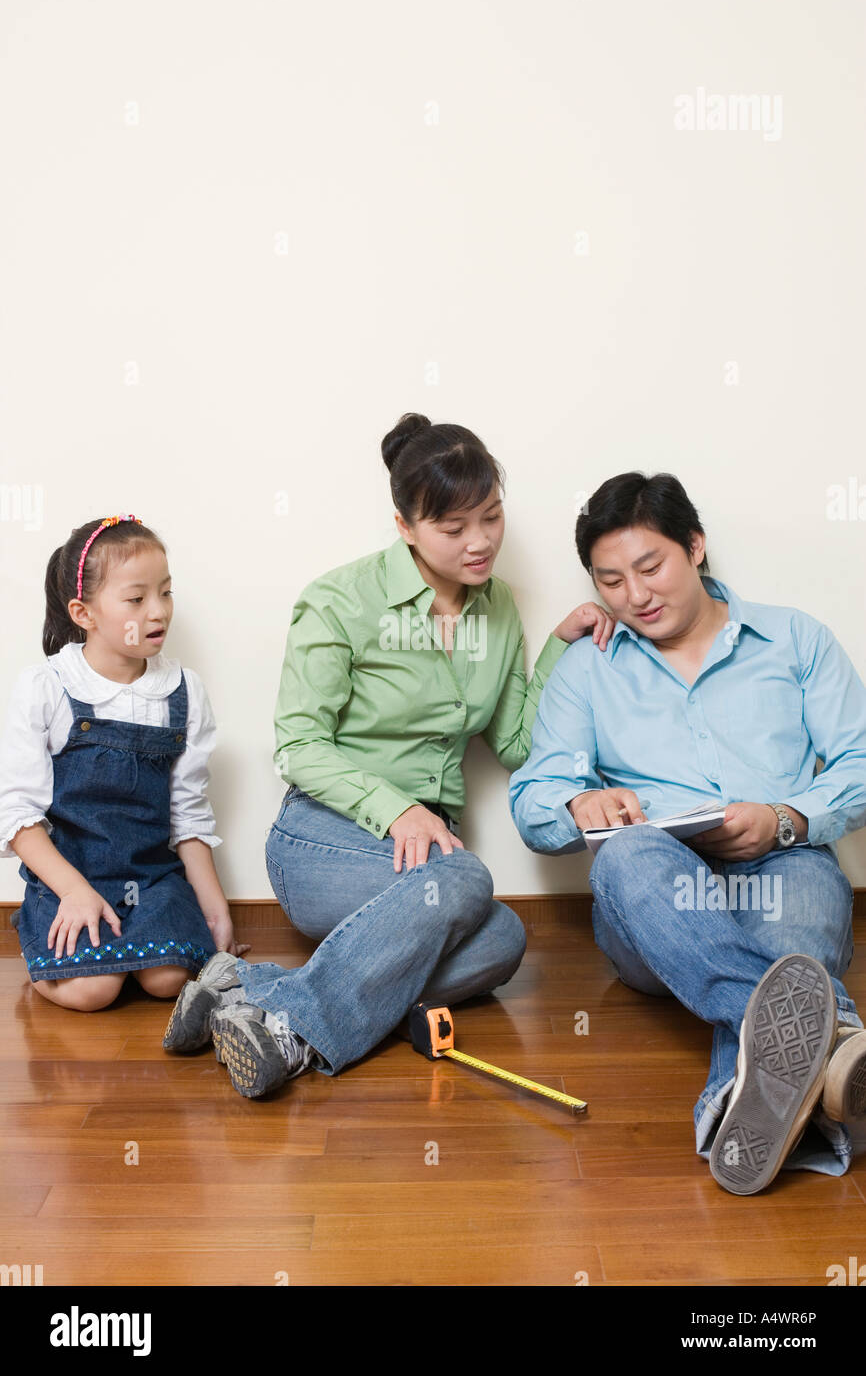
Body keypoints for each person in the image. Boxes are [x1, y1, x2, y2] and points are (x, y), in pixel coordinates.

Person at [164, 412, 613, 1096]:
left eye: (491, 518)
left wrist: (557, 644)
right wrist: (396, 808)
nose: (481, 542)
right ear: (405, 525)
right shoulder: (340, 601)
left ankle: (247, 990)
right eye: (454, 528)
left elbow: (517, 743)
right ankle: (293, 1034)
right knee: (467, 880)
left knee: (504, 941)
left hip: (423, 861)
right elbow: (299, 745)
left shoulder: (498, 612)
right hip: (324, 839)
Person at [508, 471, 866, 1195]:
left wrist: (786, 819)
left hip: (782, 866)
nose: (636, 595)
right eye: (611, 580)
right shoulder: (588, 669)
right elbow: (533, 798)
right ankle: (834, 1046)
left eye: (651, 566)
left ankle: (740, 1106)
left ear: (695, 547)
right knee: (631, 855)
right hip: (657, 903)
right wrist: (580, 807)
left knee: (797, 897)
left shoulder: (794, 640)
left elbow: (860, 761)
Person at [0, 513, 246, 1012]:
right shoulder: (46, 686)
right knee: (95, 992)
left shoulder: (184, 691)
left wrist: (214, 905)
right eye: (136, 599)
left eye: (167, 592)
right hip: (69, 876)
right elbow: (17, 814)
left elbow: (188, 816)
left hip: (151, 879)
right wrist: (72, 891)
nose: (158, 612)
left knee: (168, 980)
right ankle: (54, 953)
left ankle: (127, 949)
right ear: (83, 613)